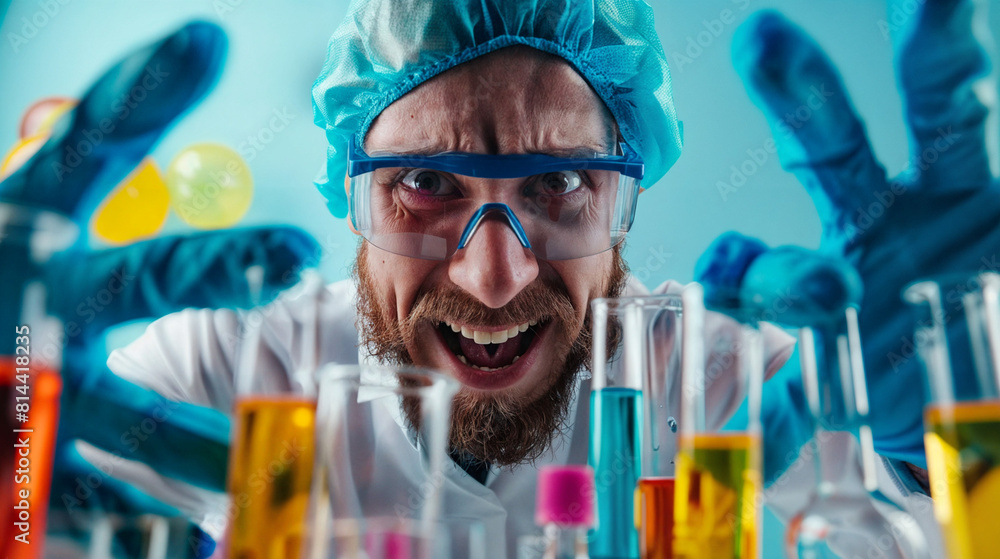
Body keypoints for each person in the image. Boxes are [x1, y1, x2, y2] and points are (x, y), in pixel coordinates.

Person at [71, 0, 999, 556]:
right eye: (426, 184)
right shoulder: (231, 362)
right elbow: (36, 517)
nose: (493, 272)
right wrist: (12, 404)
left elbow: (937, 532)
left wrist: (953, 436)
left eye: (558, 183)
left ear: (621, 195)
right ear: (350, 191)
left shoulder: (737, 389)